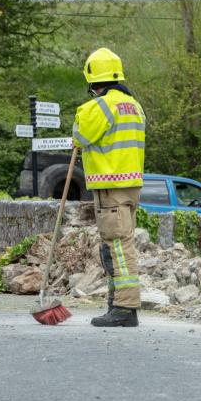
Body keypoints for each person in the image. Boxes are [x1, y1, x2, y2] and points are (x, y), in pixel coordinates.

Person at [73, 47, 145, 327]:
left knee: (117, 246)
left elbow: (80, 135)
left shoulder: (99, 107)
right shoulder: (134, 105)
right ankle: (120, 305)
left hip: (110, 186)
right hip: (131, 185)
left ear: (93, 80)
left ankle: (124, 308)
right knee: (121, 244)